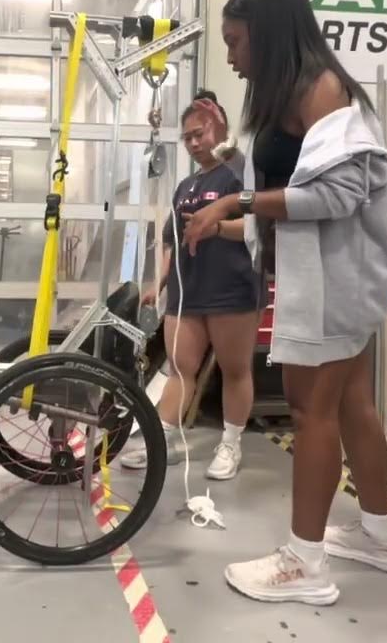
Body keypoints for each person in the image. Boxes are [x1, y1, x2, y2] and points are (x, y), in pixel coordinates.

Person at [183, 0, 387, 605]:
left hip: (337, 282)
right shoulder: (288, 95)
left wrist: (237, 197)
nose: (230, 57)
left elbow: (337, 195)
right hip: (329, 278)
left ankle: (305, 562)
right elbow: (283, 207)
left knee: (312, 412)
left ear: (270, 33)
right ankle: (381, 536)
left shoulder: (324, 91)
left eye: (235, 41)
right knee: (353, 407)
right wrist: (226, 225)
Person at [120, 91, 260, 481]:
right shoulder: (186, 187)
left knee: (235, 369)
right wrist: (158, 283)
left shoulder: (241, 174)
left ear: (221, 129)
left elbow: (258, 228)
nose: (195, 142)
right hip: (187, 294)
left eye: (201, 133)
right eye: (188, 138)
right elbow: (171, 240)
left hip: (233, 291)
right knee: (180, 369)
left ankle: (230, 443)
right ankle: (160, 439)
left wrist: (217, 227)